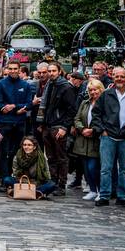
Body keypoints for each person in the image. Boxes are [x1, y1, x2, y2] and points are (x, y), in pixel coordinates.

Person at [90, 67, 125, 207]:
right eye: (116, 77)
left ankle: (122, 197)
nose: (119, 79)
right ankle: (104, 196)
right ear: (113, 78)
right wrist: (102, 130)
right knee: (106, 168)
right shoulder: (106, 94)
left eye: (122, 77)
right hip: (108, 136)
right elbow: (96, 114)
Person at [0, 61, 34, 185]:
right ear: (7, 69)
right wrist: (8, 108)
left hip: (20, 123)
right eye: (11, 68)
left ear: (19, 70)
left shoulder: (25, 85)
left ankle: (16, 177)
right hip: (4, 123)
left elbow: (29, 104)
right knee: (3, 152)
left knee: (17, 152)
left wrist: (13, 106)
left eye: (15, 69)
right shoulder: (0, 84)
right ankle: (5, 178)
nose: (13, 71)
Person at [40, 62, 77, 198]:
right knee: (50, 157)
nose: (51, 73)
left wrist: (64, 127)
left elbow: (72, 109)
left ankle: (61, 185)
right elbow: (47, 105)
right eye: (49, 71)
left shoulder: (66, 87)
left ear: (59, 71)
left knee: (61, 157)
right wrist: (42, 123)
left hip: (58, 126)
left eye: (53, 71)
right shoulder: (50, 85)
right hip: (48, 125)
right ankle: (53, 182)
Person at [72, 80, 104, 200]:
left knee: (93, 167)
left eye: (95, 89)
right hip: (83, 138)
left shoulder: (104, 103)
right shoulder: (85, 103)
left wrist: (93, 130)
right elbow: (77, 118)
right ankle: (92, 189)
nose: (93, 92)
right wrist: (82, 129)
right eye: (90, 90)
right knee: (85, 167)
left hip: (96, 139)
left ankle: (101, 190)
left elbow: (105, 120)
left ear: (101, 89)